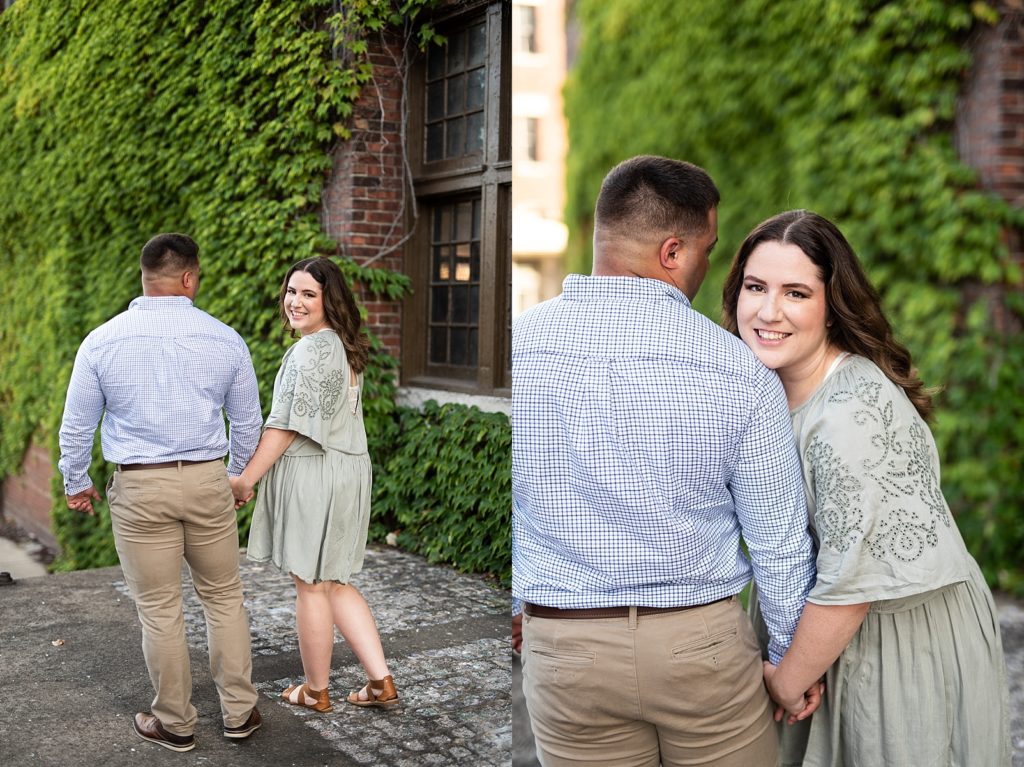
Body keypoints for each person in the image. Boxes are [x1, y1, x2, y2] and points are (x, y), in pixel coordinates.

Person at [511, 155, 819, 767]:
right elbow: (778, 541)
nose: (710, 265)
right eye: (708, 248)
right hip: (701, 649)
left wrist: (522, 605)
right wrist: (789, 659)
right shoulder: (737, 369)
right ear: (673, 253)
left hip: (567, 650)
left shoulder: (517, 351)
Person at [722, 209, 1011, 766]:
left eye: (796, 293)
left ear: (833, 309)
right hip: (821, 636)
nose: (767, 311)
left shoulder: (850, 417)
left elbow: (850, 586)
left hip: (892, 642)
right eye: (755, 287)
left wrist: (788, 679)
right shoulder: (765, 390)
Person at [57, 233, 264, 753]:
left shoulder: (102, 340)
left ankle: (175, 722)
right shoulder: (225, 338)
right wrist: (238, 477)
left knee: (159, 607)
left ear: (145, 276)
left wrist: (76, 482)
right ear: (190, 278)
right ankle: (240, 713)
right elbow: (247, 422)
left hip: (140, 486)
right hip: (206, 480)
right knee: (223, 598)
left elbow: (76, 426)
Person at [229, 256, 398, 714]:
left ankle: (315, 689)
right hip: (349, 472)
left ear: (329, 301)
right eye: (291, 291)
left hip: (316, 473)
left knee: (311, 585)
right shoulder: (344, 346)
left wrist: (245, 480)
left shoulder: (309, 350)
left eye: (308, 294)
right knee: (334, 581)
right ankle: (381, 681)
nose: (295, 302)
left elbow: (285, 427)